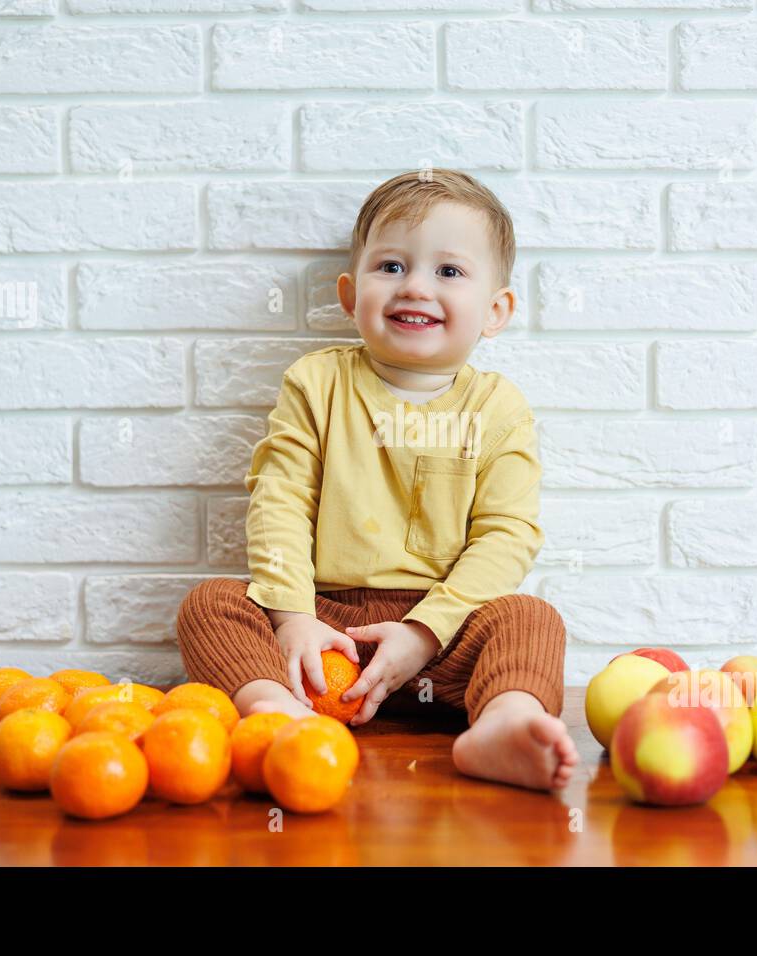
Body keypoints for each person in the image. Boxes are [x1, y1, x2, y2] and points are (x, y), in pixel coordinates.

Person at [177, 169, 578, 791]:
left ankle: (504, 722)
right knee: (212, 603)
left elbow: (507, 535)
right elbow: (279, 500)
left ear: (495, 311)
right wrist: (291, 619)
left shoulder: (500, 409)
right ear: (349, 293)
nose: (415, 286)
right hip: (322, 625)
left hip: (441, 635)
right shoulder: (317, 383)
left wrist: (424, 633)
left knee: (530, 617)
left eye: (449, 272)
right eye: (391, 266)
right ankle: (277, 714)